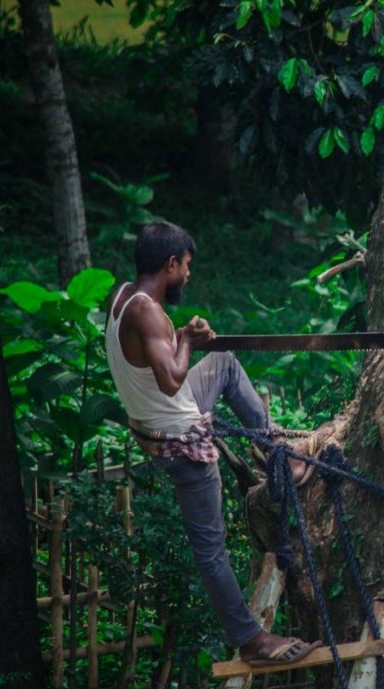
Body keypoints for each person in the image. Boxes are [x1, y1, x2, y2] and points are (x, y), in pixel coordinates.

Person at [104, 221, 322, 665]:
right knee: (211, 550)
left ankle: (278, 457)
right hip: (181, 442)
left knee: (222, 361)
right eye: (186, 266)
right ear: (169, 264)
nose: (188, 275)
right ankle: (251, 640)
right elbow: (169, 380)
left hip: (160, 424)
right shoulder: (146, 311)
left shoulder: (124, 295)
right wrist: (183, 339)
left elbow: (154, 366)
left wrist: (180, 339)